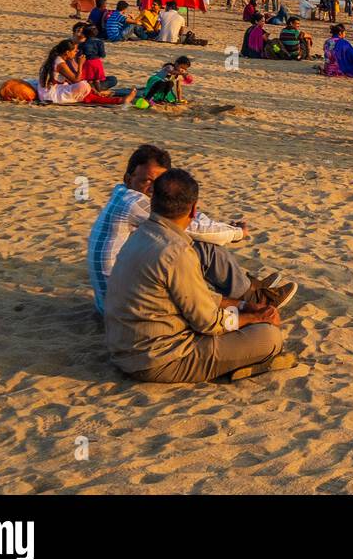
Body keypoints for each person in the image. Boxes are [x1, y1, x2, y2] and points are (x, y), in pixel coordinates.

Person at [104, 169, 295, 383]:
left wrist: (243, 306)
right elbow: (208, 322)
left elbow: (196, 297)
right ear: (194, 209)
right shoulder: (176, 251)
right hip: (159, 361)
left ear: (153, 201)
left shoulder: (140, 235)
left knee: (247, 322)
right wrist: (255, 318)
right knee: (269, 337)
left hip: (124, 351)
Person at [87, 144, 295, 315]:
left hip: (111, 300)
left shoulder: (123, 196)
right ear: (128, 179)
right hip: (124, 307)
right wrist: (237, 233)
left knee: (188, 244)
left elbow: (188, 218)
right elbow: (195, 226)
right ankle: (254, 297)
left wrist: (226, 228)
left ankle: (248, 288)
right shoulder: (134, 203)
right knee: (203, 248)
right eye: (146, 181)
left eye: (159, 183)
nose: (153, 189)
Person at [38, 40, 133, 106]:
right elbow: (76, 79)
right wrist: (80, 64)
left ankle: (115, 99)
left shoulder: (58, 59)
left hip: (50, 91)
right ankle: (118, 100)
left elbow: (71, 79)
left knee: (86, 87)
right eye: (74, 51)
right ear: (67, 52)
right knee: (83, 86)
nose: (76, 52)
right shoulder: (60, 64)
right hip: (51, 95)